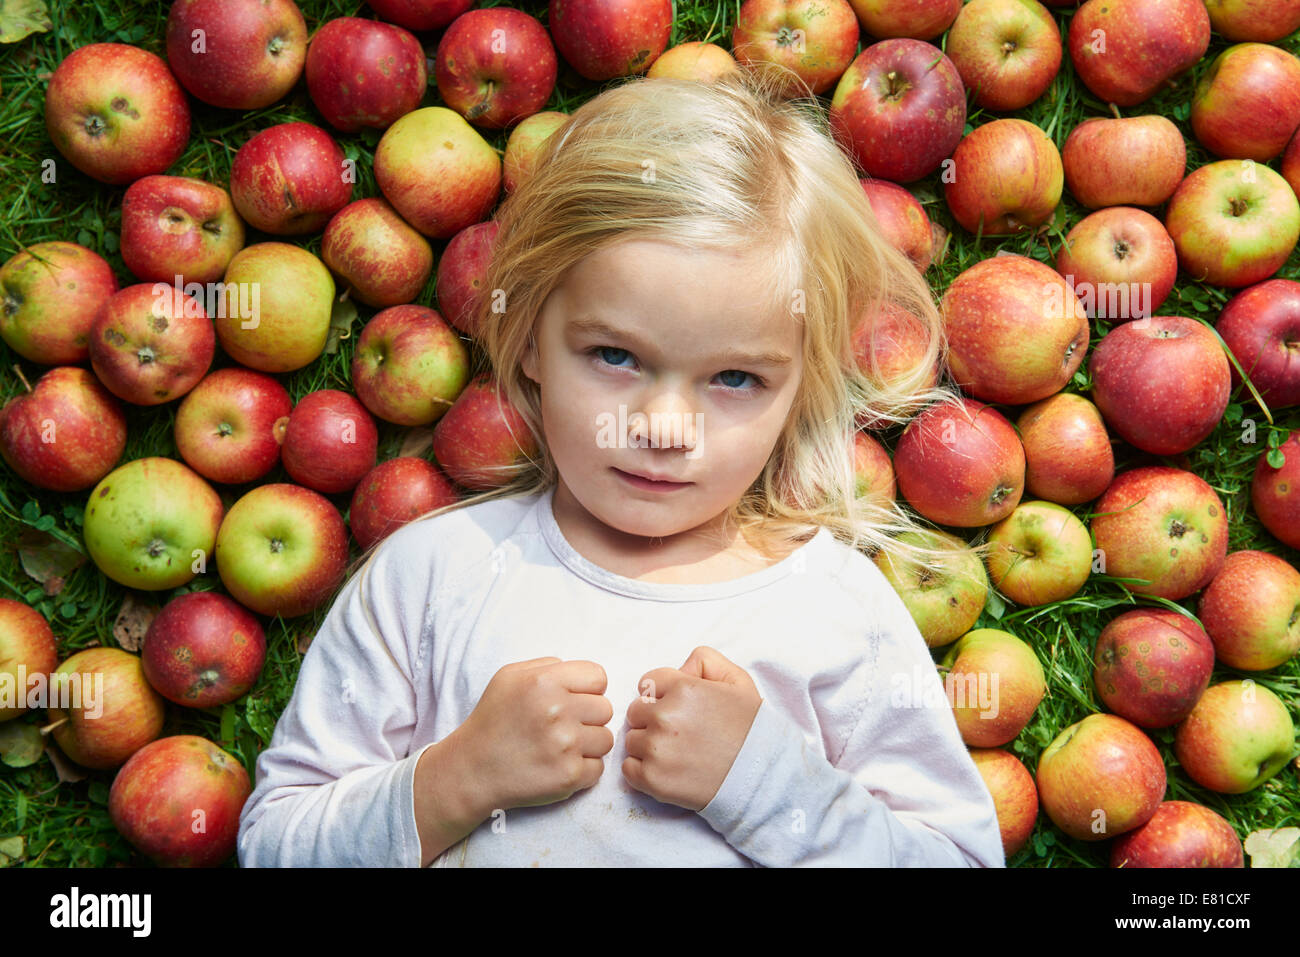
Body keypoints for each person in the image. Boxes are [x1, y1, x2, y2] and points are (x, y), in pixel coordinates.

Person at [236, 62, 1005, 868]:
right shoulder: (430, 577)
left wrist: (775, 786)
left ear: (801, 385)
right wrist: (453, 781)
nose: (666, 427)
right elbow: (275, 846)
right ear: (530, 336)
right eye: (614, 355)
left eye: (735, 378)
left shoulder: (840, 611)